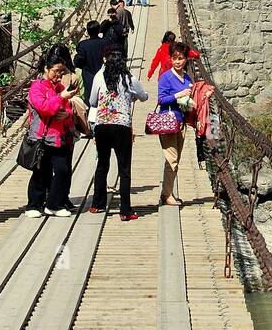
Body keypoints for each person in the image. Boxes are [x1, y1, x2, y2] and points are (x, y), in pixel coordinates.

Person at [88, 47, 148, 221]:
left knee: (102, 165)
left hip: (102, 125)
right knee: (124, 169)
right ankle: (125, 210)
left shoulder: (99, 77)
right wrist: (132, 97)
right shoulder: (130, 79)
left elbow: (92, 101)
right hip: (122, 127)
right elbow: (143, 96)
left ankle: (97, 204)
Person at [25, 48, 79, 217]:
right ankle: (34, 205)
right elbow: (44, 107)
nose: (59, 75)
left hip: (58, 135)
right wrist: (62, 97)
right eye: (56, 71)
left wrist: (67, 113)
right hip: (41, 136)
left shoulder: (59, 87)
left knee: (62, 170)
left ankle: (54, 204)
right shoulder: (37, 87)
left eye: (61, 72)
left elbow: (68, 108)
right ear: (46, 69)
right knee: (41, 171)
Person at [156, 42, 194, 206]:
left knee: (176, 159)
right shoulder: (166, 77)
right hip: (168, 121)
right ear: (170, 59)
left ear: (186, 59)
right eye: (175, 58)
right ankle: (167, 195)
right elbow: (161, 99)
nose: (178, 62)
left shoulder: (187, 77)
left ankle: (168, 192)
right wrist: (179, 94)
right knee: (171, 159)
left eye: (181, 58)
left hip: (181, 121)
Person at [74, 20, 105, 102]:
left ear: (87, 32)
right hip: (104, 74)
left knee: (90, 97)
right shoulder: (105, 42)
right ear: (99, 30)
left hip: (88, 75)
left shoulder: (83, 45)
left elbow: (78, 62)